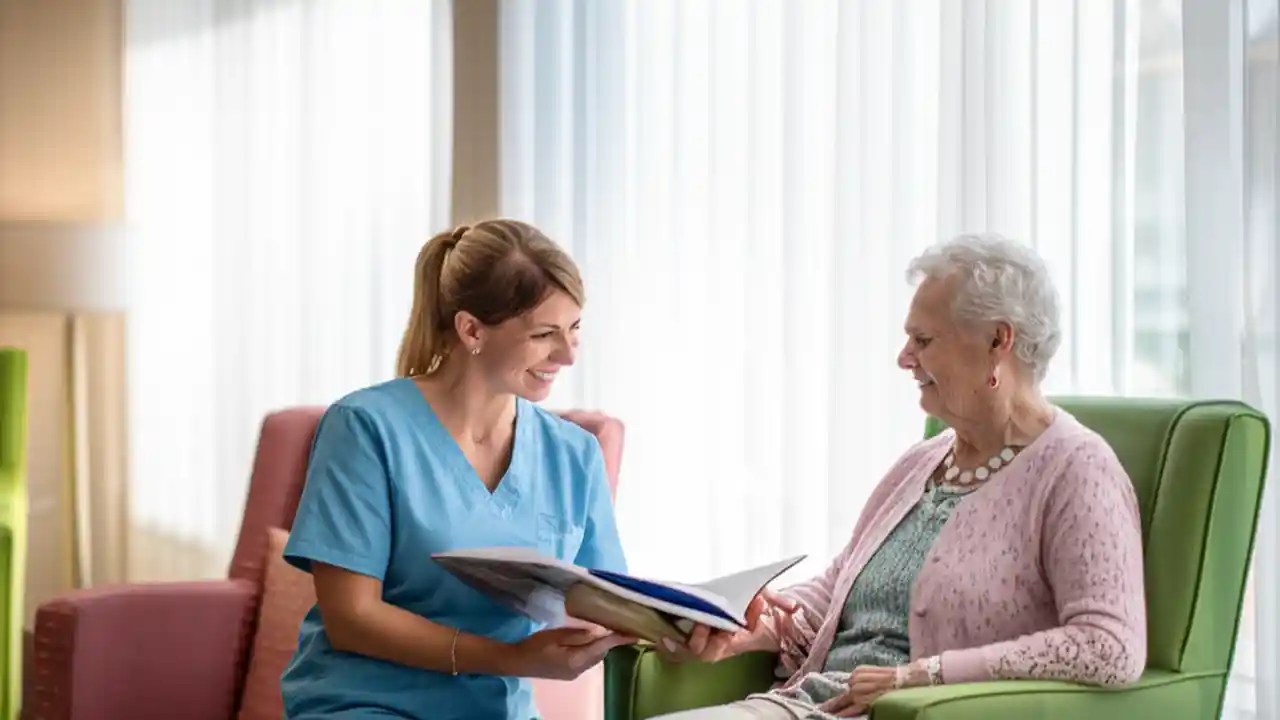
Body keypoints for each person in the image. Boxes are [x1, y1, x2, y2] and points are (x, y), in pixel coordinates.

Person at [657, 234, 1147, 719]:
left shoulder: (1078, 470)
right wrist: (756, 624)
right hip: (807, 703)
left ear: (998, 340)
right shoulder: (923, 462)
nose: (904, 357)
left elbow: (1108, 645)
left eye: (923, 340)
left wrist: (923, 675)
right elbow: (837, 592)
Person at [280, 219, 633, 719]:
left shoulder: (575, 455)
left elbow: (609, 604)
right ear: (471, 329)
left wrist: (699, 626)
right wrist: (509, 659)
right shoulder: (365, 428)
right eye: (543, 334)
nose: (568, 354)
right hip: (363, 705)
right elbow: (351, 618)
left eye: (575, 329)